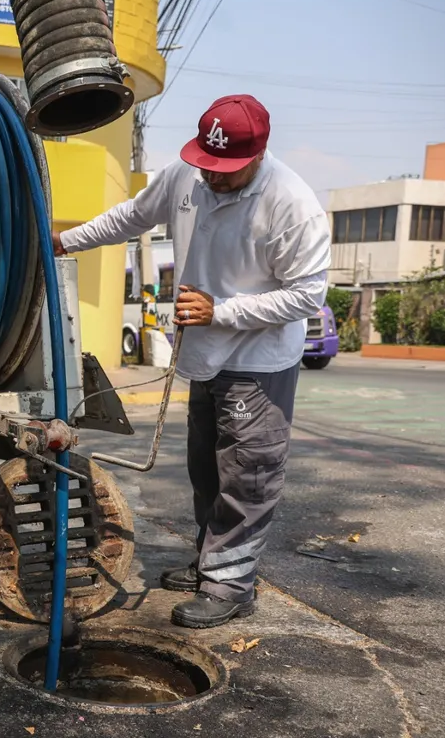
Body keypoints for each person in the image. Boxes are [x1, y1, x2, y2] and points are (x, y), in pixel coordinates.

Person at [53, 94, 331, 628]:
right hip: (205, 356)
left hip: (258, 360)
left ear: (258, 155)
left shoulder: (292, 205)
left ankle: (230, 583)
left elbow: (306, 297)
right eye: (206, 163)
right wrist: (66, 241)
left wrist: (221, 310)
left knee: (248, 474)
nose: (211, 178)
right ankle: (211, 561)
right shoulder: (188, 173)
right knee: (207, 468)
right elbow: (133, 215)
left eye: (225, 171)